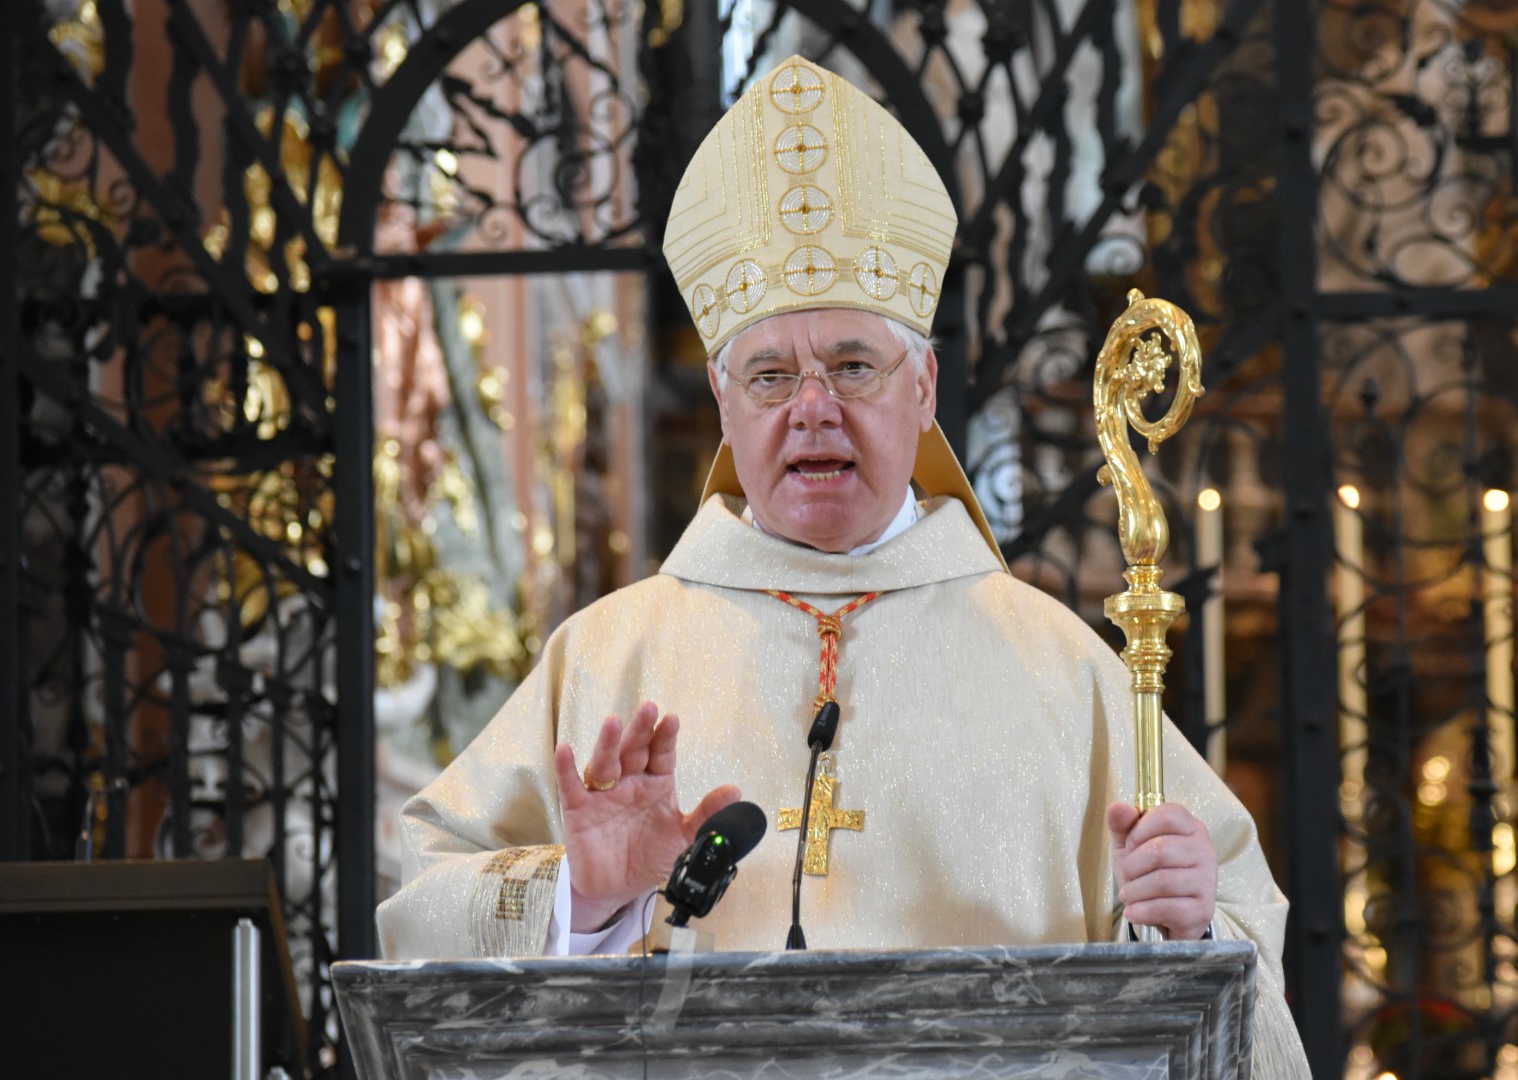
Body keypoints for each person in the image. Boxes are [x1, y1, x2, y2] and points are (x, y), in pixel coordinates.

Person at [376, 55, 1307, 1074]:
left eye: (854, 365)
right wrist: (582, 897)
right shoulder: (607, 656)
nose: (812, 406)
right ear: (727, 406)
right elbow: (418, 909)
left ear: (925, 387)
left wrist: (1184, 929)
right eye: (771, 374)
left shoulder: (1060, 668)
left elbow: (1231, 956)